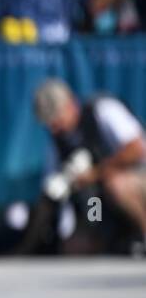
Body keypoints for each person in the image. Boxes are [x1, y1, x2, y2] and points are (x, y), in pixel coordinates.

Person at [17, 78, 146, 254]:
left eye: (57, 119)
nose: (54, 128)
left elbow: (137, 150)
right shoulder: (58, 142)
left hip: (136, 180)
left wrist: (95, 173)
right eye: (50, 123)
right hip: (98, 204)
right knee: (75, 247)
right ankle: (114, 240)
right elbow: (51, 188)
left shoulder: (104, 110)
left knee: (118, 185)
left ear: (71, 105)